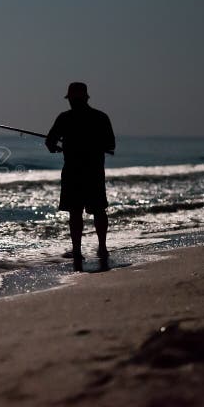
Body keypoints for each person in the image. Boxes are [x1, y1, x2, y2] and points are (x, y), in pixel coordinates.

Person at [45, 82, 115, 272]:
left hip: (73, 172)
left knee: (75, 212)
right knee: (99, 210)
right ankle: (102, 247)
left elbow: (49, 143)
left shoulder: (64, 118)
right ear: (86, 98)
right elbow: (111, 145)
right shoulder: (100, 117)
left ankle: (77, 251)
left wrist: (58, 147)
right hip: (94, 172)